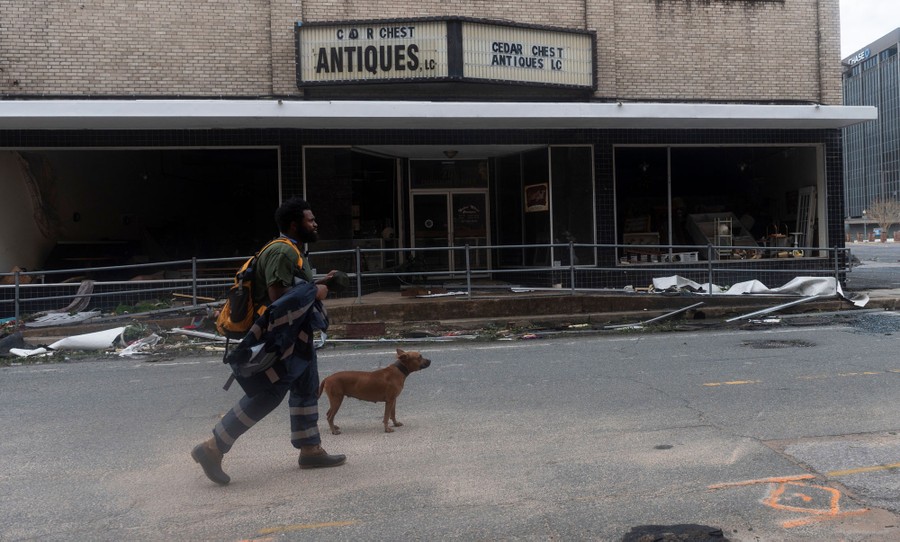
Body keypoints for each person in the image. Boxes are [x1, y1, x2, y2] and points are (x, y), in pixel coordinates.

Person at [192, 197, 345, 486]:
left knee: (306, 387)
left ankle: (310, 448)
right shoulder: (282, 251)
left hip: (298, 336)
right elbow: (279, 297)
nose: (315, 224)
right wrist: (317, 292)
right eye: (310, 220)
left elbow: (294, 289)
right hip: (282, 339)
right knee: (268, 394)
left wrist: (318, 283)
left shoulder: (294, 252)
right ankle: (213, 447)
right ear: (293, 224)